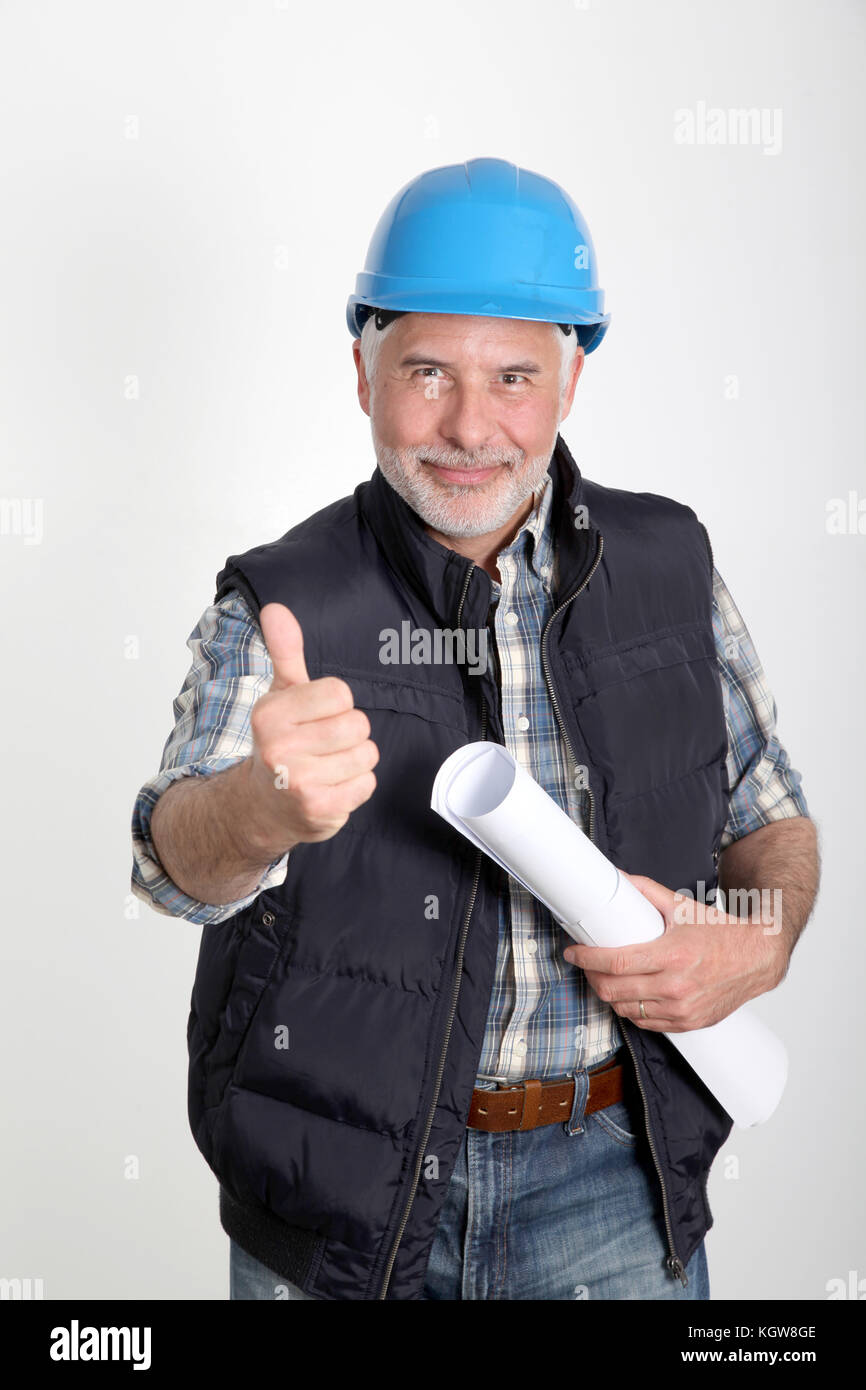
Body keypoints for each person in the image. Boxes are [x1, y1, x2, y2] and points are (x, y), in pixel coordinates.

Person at [130, 157, 819, 1301]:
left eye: (511, 376)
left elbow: (771, 817)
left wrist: (760, 936)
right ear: (360, 372)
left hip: (614, 1185)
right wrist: (259, 807)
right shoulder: (284, 602)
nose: (467, 427)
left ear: (570, 377)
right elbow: (170, 867)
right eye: (424, 372)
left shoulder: (668, 565)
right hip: (341, 1210)